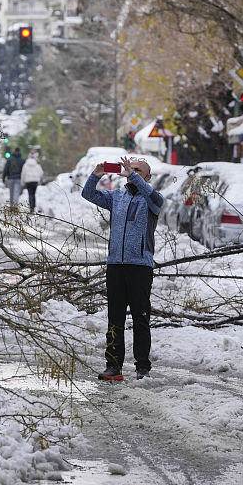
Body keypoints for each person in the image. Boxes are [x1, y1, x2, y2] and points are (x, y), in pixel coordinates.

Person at [81, 156, 165, 381]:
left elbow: (156, 199)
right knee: (115, 317)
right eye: (129, 168)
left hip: (140, 267)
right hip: (116, 265)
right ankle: (113, 366)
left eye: (138, 170)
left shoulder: (152, 200)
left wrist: (134, 176)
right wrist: (96, 175)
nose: (130, 171)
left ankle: (142, 368)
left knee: (140, 318)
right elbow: (88, 194)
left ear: (147, 177)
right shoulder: (117, 197)